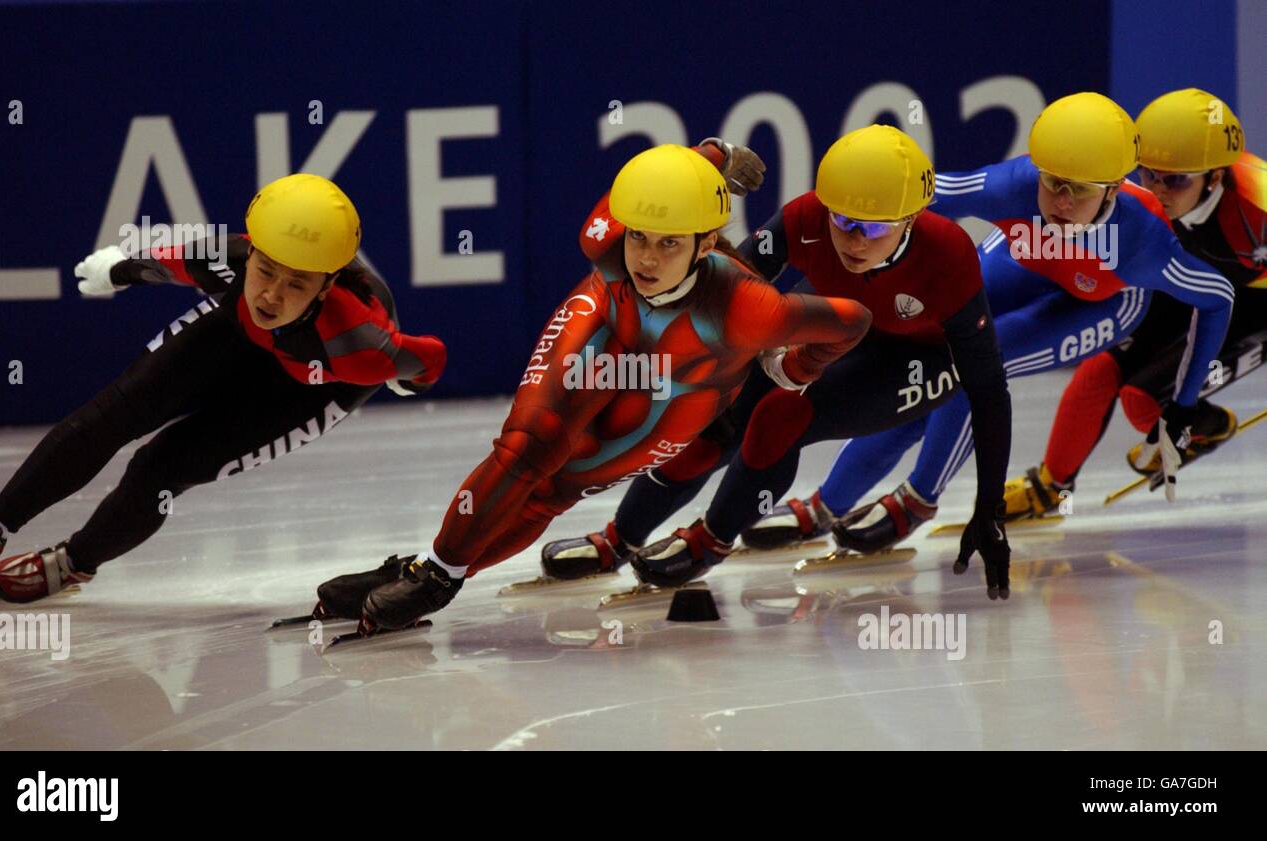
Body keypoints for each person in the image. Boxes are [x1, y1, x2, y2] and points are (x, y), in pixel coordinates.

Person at [318, 144, 873, 632]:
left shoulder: (749, 308)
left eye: (669, 244)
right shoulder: (604, 239)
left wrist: (794, 370)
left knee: (557, 488)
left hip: (678, 383)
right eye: (640, 239)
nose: (648, 259)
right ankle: (439, 572)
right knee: (531, 443)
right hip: (601, 324)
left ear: (706, 246)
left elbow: (852, 320)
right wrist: (713, 157)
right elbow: (655, 189)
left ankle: (426, 567)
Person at [542, 125, 1016, 598]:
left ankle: (711, 540)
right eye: (842, 221)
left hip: (923, 357)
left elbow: (990, 389)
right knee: (717, 413)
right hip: (841, 321)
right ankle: (620, 537)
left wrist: (989, 509)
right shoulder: (806, 217)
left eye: (873, 227)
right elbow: (725, 290)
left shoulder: (948, 254)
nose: (853, 240)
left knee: (783, 418)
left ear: (912, 218)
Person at [784, 92, 1233, 550]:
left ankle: (920, 498)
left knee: (976, 362)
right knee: (926, 363)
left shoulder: (1142, 244)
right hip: (1028, 261)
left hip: (1104, 303)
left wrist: (1182, 404)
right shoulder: (1012, 186)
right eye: (1054, 181)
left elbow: (1218, 298)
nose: (1060, 200)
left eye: (1080, 189)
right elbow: (887, 200)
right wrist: (800, 294)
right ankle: (828, 504)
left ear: (1113, 190)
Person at [0, 174, 446, 603]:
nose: (272, 295)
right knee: (115, 413)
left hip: (312, 386)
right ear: (250, 252)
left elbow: (431, 356)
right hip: (235, 334)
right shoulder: (226, 259)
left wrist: (408, 380)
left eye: (296, 284)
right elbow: (162, 263)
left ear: (325, 288)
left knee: (160, 469)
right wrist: (117, 269)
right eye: (265, 271)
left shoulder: (361, 346)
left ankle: (72, 563)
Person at [1003, 89, 1267, 518]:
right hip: (1193, 282)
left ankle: (1209, 428)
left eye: (1176, 180)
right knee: (1099, 370)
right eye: (1149, 174)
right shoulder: (1129, 198)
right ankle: (1051, 489)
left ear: (1215, 177)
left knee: (1144, 401)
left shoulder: (1259, 203)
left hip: (1256, 302)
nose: (1158, 191)